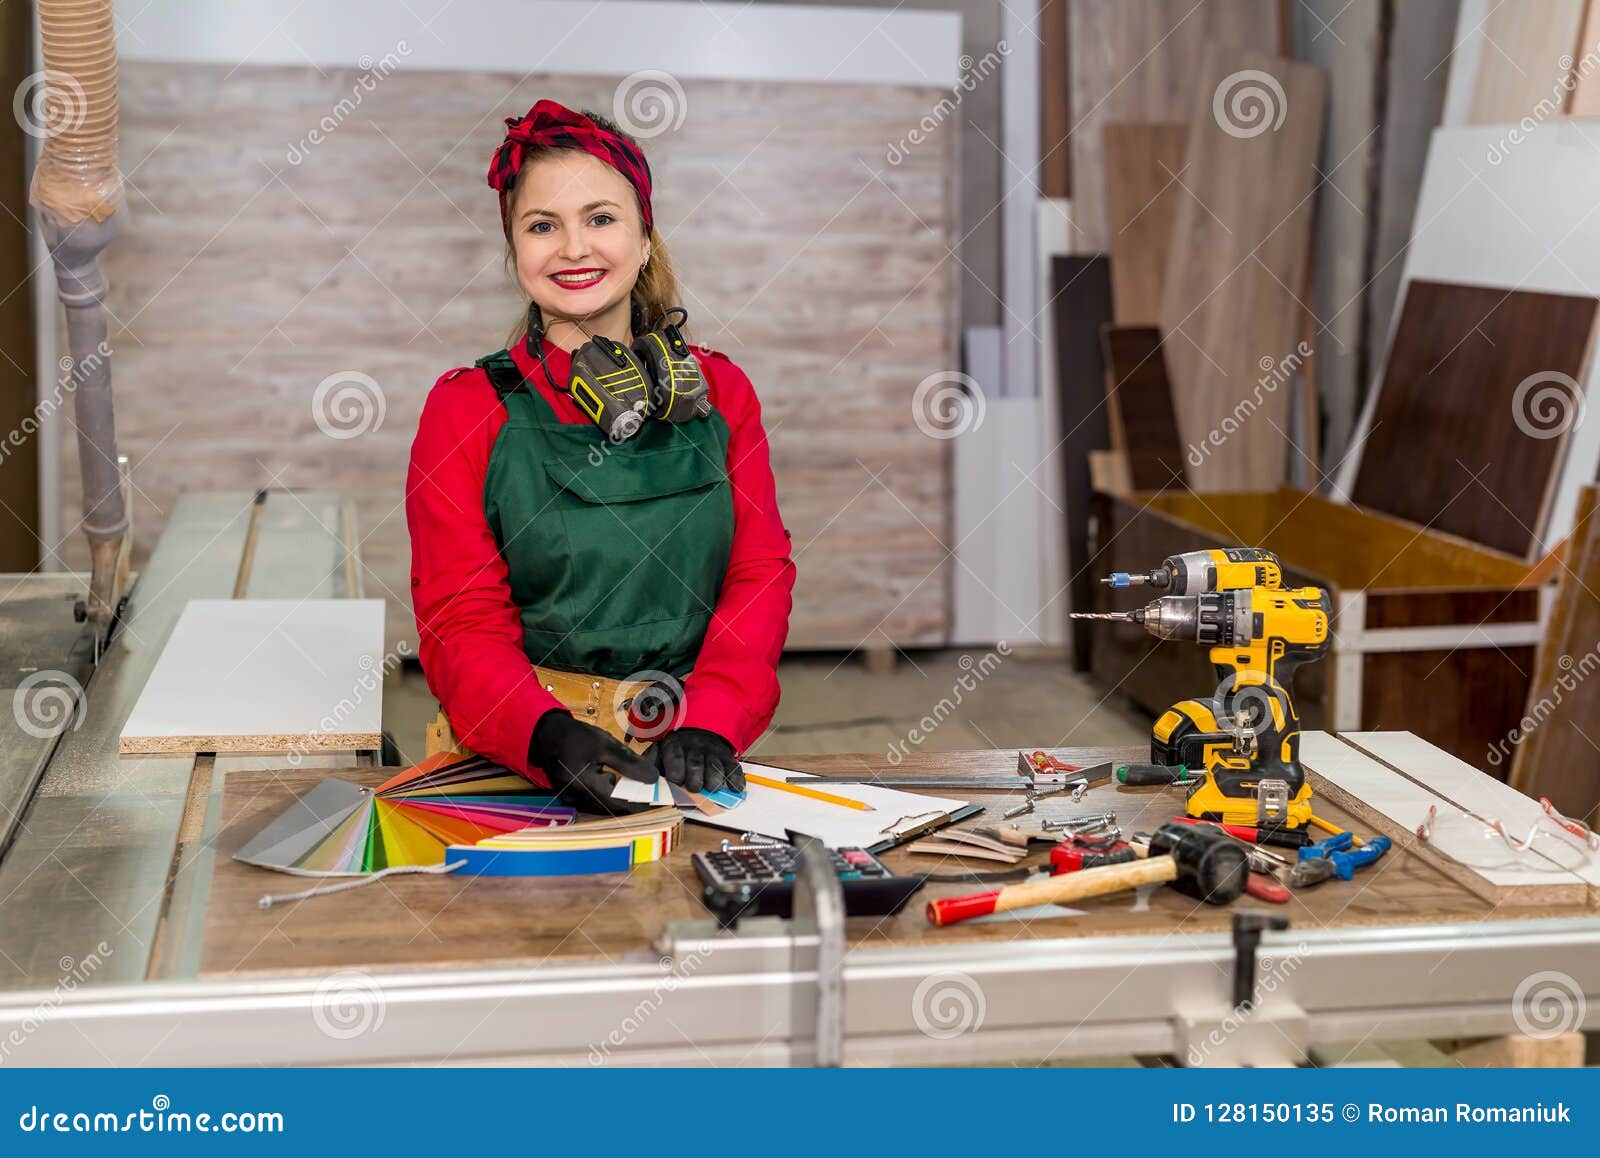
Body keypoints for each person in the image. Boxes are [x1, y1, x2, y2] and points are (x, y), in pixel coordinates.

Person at [405, 99, 795, 812]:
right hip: (522, 755)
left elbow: (759, 572)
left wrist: (713, 718)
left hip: (693, 748)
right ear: (514, 249)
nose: (573, 248)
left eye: (601, 218)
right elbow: (459, 615)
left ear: (645, 239)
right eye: (542, 226)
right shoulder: (466, 409)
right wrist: (543, 734)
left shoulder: (724, 393)